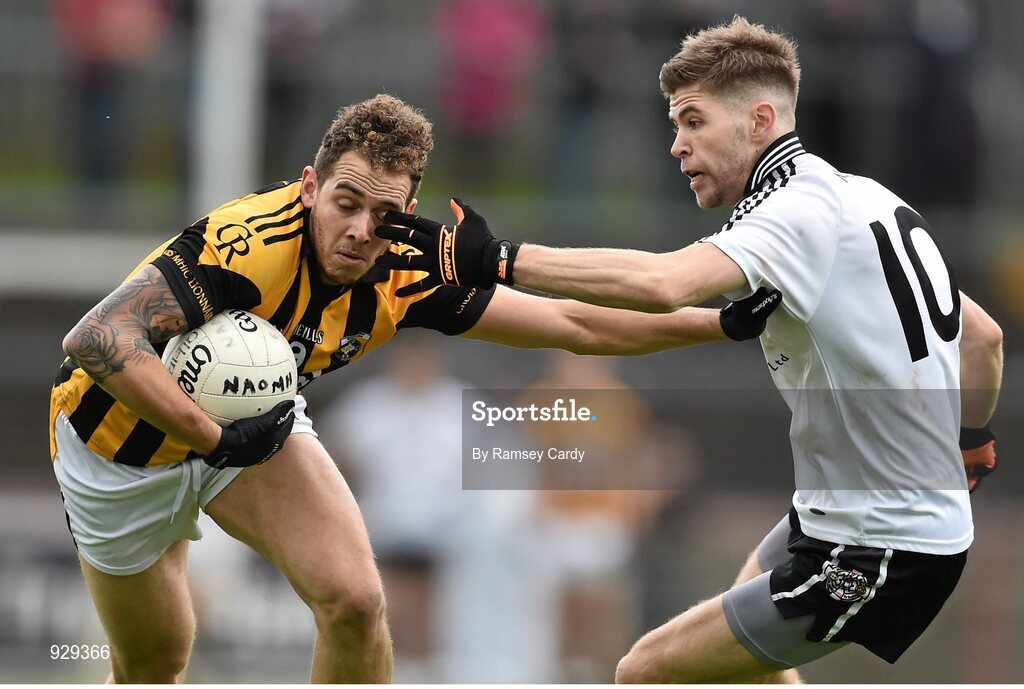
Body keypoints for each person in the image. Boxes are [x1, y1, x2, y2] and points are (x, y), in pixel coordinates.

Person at [49, 93, 780, 683]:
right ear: (308, 187)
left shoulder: (403, 267)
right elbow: (97, 337)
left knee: (357, 601)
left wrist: (720, 323)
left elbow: (571, 322)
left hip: (253, 425)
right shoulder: (247, 245)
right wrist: (212, 437)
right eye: (345, 202)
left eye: (385, 213)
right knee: (153, 663)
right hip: (119, 445)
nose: (362, 230)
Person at [375, 17, 1005, 683]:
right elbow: (983, 338)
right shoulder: (864, 199)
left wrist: (502, 259)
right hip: (835, 515)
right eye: (675, 126)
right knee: (748, 664)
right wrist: (971, 444)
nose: (677, 145)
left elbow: (664, 284)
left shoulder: (792, 212)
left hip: (880, 542)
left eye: (695, 122)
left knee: (643, 670)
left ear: (760, 119)